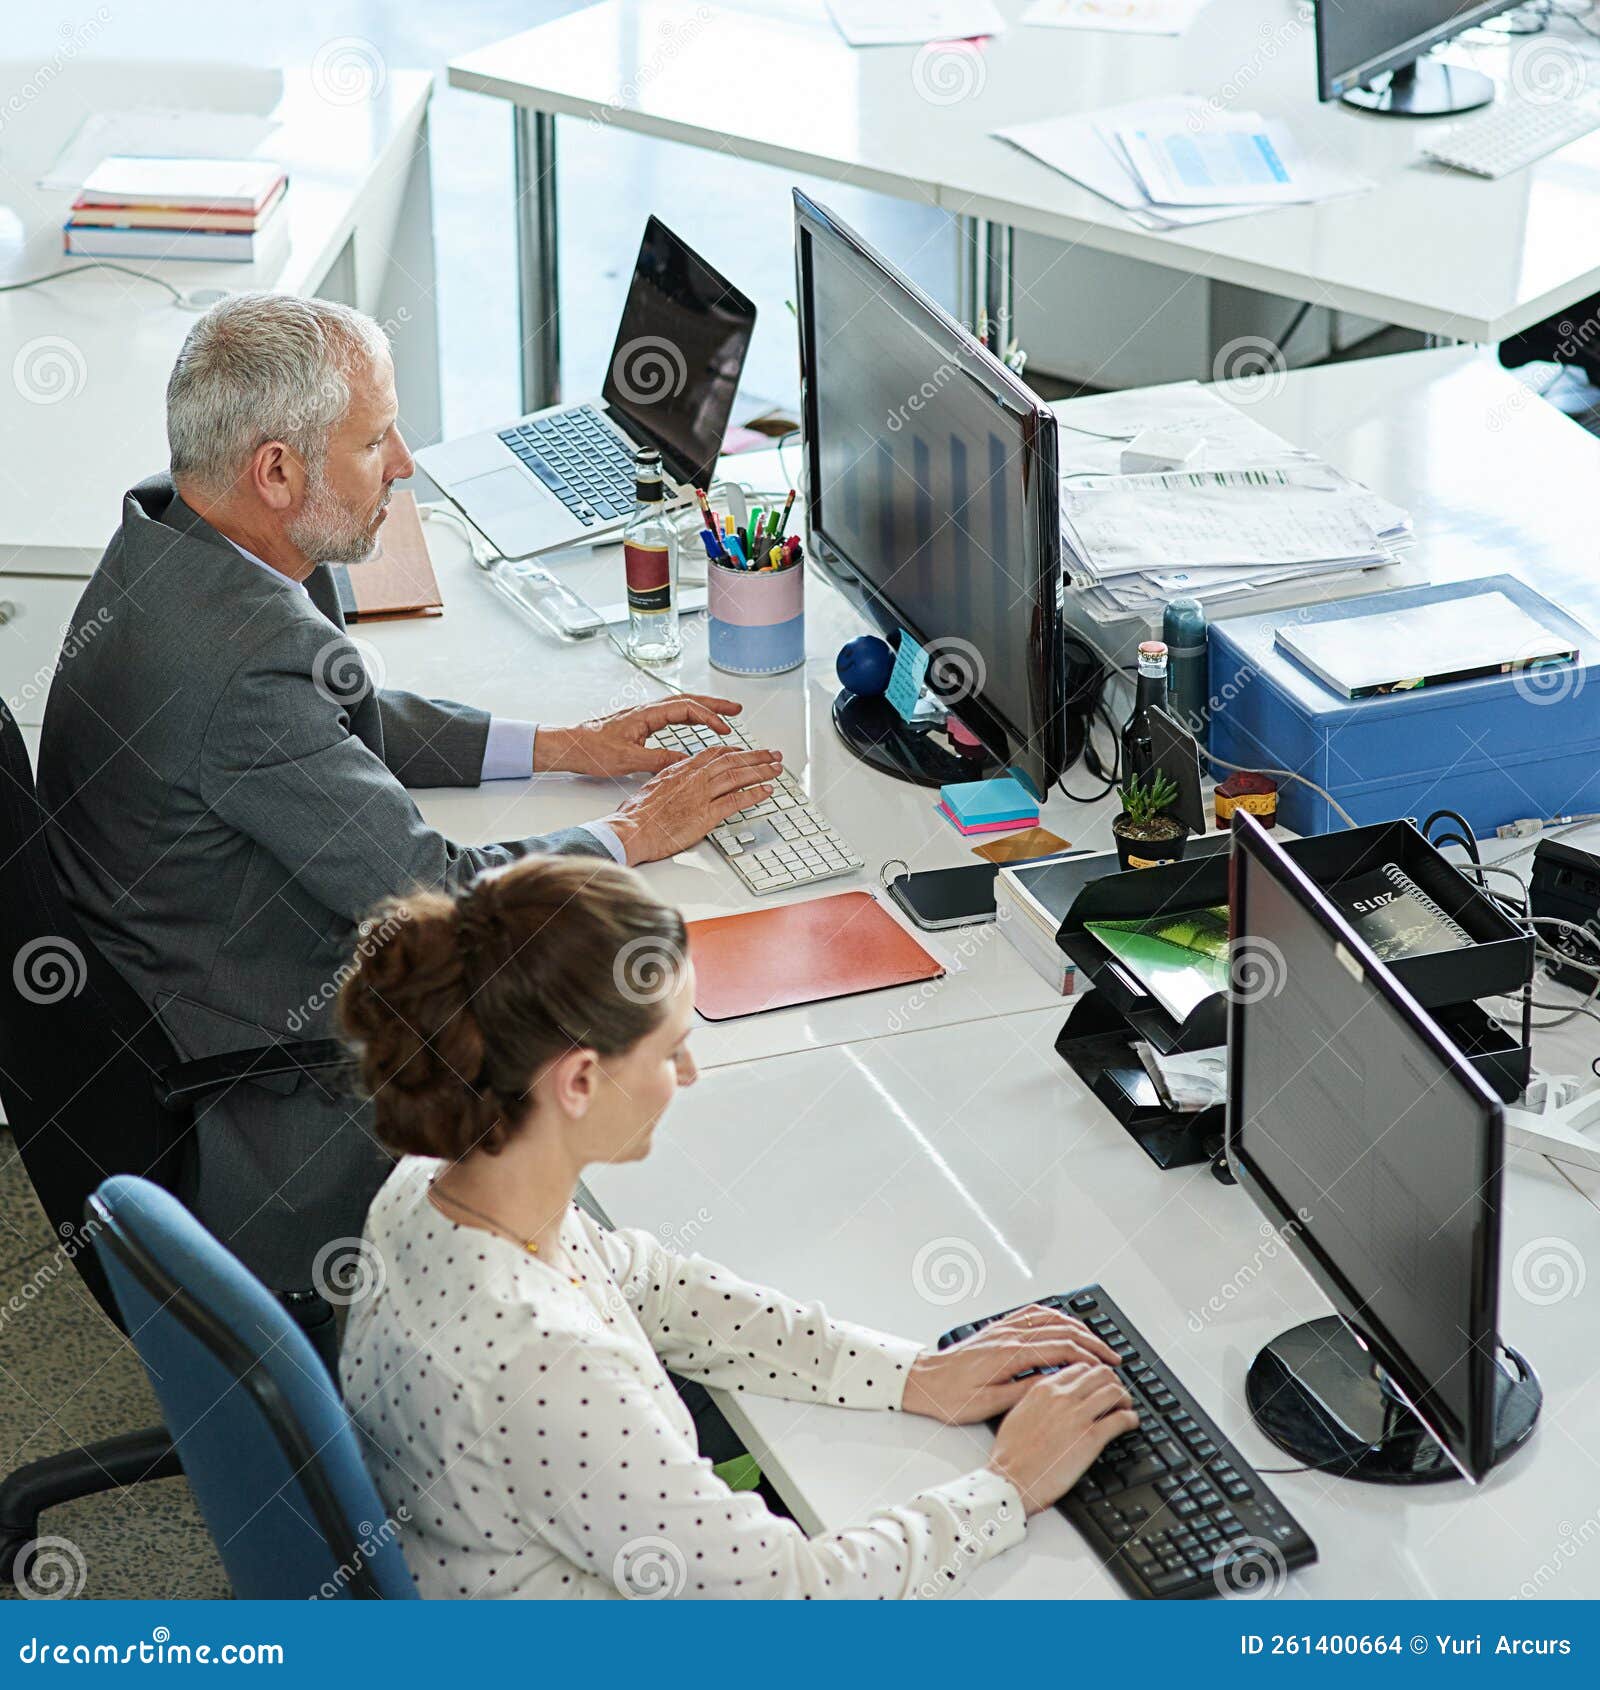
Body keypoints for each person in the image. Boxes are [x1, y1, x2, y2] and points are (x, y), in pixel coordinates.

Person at [37, 292, 780, 1309]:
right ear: (278, 470)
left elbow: (342, 710)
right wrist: (637, 831)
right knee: (633, 1041)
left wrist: (563, 746)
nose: (405, 463)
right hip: (269, 1106)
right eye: (377, 439)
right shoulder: (237, 665)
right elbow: (442, 894)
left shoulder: (173, 539)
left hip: (182, 1002)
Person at [337, 856, 1137, 1599]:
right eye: (671, 1051)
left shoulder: (437, 1184)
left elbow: (653, 1287)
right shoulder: (543, 1368)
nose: (689, 1075)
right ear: (579, 1079)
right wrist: (1007, 1486)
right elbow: (797, 1600)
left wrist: (910, 1374)